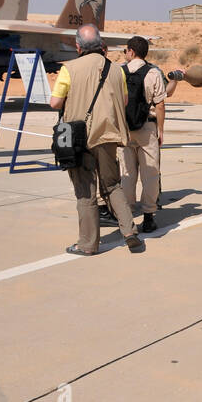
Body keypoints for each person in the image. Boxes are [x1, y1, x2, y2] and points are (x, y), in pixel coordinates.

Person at [49, 25, 144, 256]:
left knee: (85, 191)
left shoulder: (69, 69)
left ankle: (88, 244)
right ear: (101, 45)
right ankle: (130, 232)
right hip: (108, 135)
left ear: (78, 46)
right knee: (112, 185)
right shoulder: (116, 70)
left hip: (79, 138)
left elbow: (55, 103)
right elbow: (122, 101)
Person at [117, 36, 166, 233]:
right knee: (150, 174)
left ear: (131, 51)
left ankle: (127, 214)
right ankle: (148, 216)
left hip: (125, 129)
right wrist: (160, 130)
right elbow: (160, 104)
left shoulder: (119, 72)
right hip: (146, 128)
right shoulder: (153, 73)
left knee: (127, 174)